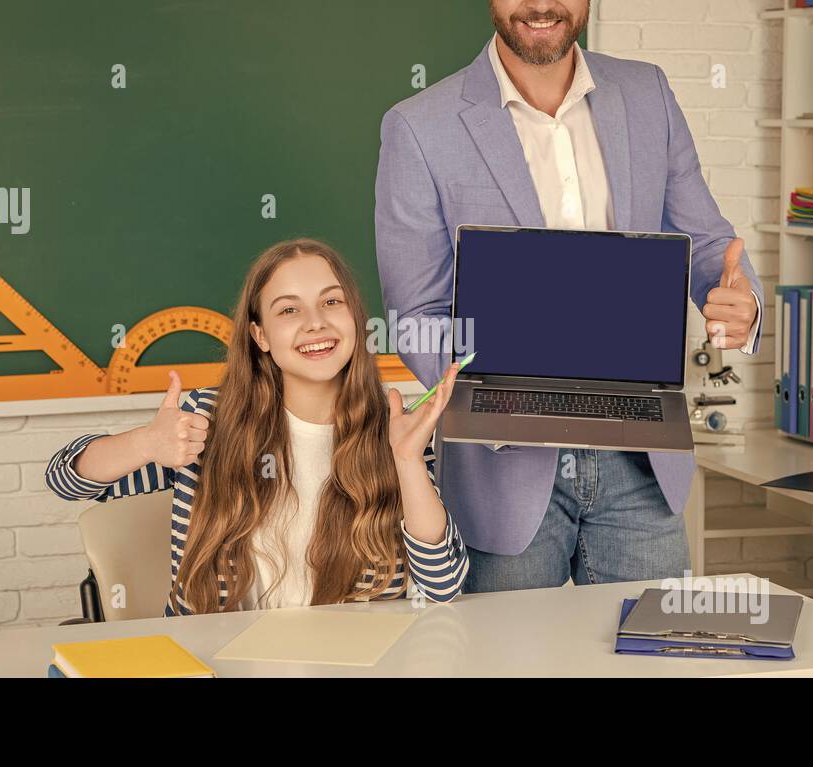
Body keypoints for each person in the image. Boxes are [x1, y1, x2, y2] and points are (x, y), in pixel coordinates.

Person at [374, 0, 764, 592]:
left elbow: (710, 244)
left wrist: (742, 303)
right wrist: (499, 398)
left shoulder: (647, 93)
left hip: (641, 463)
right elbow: (416, 316)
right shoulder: (419, 125)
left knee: (651, 662)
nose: (540, 5)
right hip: (503, 471)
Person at [45, 238, 469, 614]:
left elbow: (443, 586)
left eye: (331, 302)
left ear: (357, 320)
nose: (315, 322)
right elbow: (66, 480)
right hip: (219, 658)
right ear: (260, 335)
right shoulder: (207, 421)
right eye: (288, 309)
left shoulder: (396, 429)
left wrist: (409, 461)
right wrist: (146, 443)